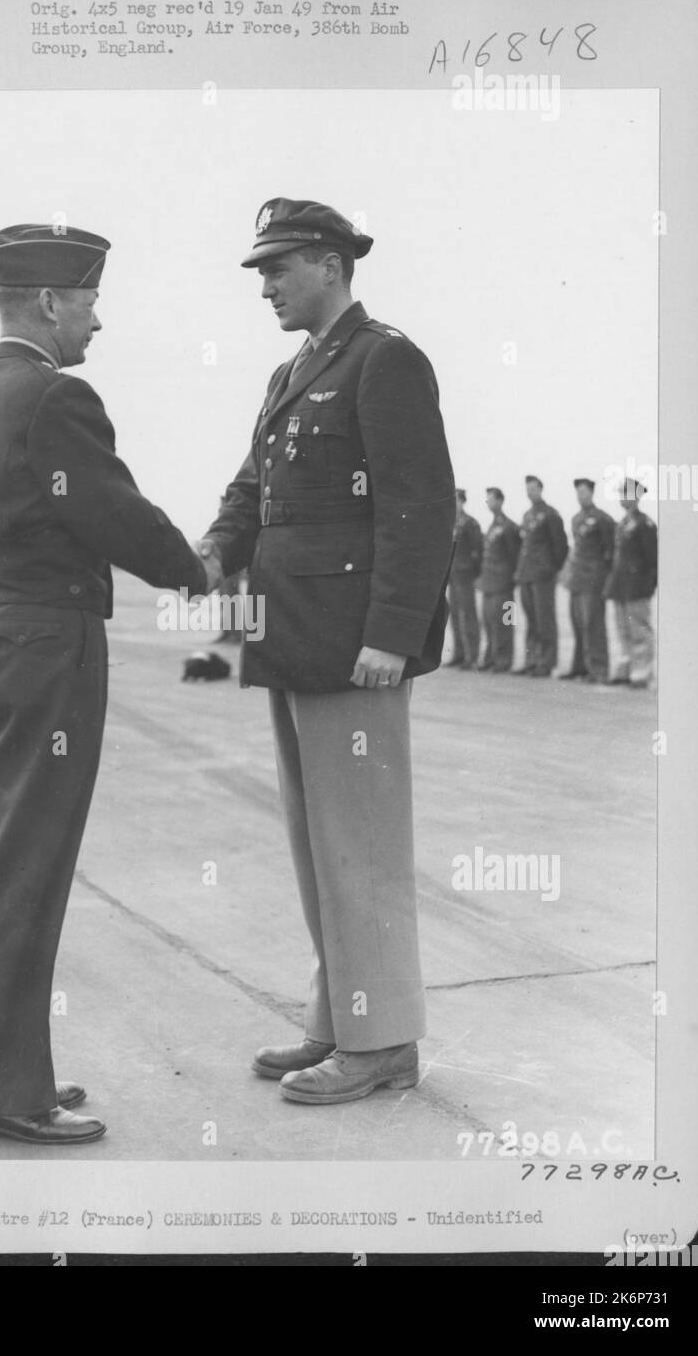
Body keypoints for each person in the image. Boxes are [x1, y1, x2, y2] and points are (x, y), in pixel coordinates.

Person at [0, 223, 207, 1144]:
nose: (97, 321)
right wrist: (196, 571)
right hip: (49, 646)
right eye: (88, 302)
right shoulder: (54, 399)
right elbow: (114, 512)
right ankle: (5, 1096)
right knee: (27, 869)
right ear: (50, 303)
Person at [199, 197, 455, 1105]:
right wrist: (211, 550)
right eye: (262, 271)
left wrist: (392, 635)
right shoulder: (293, 371)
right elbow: (252, 487)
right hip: (293, 633)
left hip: (355, 647)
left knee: (363, 843)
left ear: (331, 265)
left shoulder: (385, 359)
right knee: (319, 841)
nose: (264, 286)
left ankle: (383, 1043)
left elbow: (421, 508)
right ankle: (339, 1019)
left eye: (277, 268)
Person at [604, 478, 657, 688]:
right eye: (621, 494)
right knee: (623, 629)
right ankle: (625, 669)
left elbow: (652, 559)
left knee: (639, 630)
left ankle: (642, 672)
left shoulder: (645, 524)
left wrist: (649, 586)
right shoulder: (622, 524)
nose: (622, 498)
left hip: (637, 587)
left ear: (636, 497)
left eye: (626, 494)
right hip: (620, 586)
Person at [513, 474, 568, 677]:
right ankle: (532, 660)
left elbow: (561, 546)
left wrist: (550, 569)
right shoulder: (527, 515)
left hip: (542, 576)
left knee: (545, 621)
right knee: (531, 621)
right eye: (527, 489)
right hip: (526, 574)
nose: (530, 492)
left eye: (533, 488)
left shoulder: (550, 514)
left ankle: (546, 662)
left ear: (541, 489)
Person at [561, 477, 614, 683]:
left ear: (592, 493)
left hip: (593, 580)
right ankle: (580, 667)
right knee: (578, 625)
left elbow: (610, 552)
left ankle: (599, 670)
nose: (580, 496)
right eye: (578, 492)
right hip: (577, 579)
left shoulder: (603, 519)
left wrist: (605, 579)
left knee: (594, 625)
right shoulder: (575, 519)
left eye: (584, 492)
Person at [477, 487, 521, 673]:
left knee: (505, 622)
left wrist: (510, 578)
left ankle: (503, 661)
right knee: (488, 622)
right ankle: (491, 658)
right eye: (487, 500)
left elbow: (514, 556)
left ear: (501, 501)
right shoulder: (493, 526)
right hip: (489, 583)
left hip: (503, 584)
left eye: (492, 499)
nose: (489, 503)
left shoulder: (509, 527)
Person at [445, 488, 483, 668]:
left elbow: (478, 551)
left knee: (468, 615)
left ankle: (472, 656)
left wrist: (473, 573)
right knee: (455, 615)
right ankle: (459, 654)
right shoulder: (450, 523)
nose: (454, 504)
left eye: (457, 500)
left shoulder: (470, 523)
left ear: (463, 502)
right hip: (453, 576)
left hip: (465, 575)